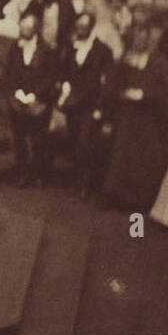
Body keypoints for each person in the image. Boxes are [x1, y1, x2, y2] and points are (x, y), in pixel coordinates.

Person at [102, 24, 168, 210]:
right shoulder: (125, 59)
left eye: (144, 39)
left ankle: (135, 203)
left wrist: (144, 95)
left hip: (148, 121)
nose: (140, 42)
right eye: (136, 38)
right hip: (126, 117)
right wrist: (120, 93)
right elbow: (112, 84)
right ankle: (114, 197)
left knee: (141, 162)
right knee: (119, 159)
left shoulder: (162, 64)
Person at [56, 12, 115, 198]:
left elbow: (107, 82)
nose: (81, 28)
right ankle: (75, 180)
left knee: (86, 143)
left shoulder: (103, 51)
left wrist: (101, 107)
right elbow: (64, 71)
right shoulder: (71, 47)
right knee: (74, 140)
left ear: (91, 28)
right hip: (73, 103)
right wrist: (64, 86)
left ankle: (85, 183)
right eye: (78, 24)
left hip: (91, 104)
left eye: (85, 25)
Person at [1, 14, 57, 187]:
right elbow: (8, 72)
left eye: (27, 28)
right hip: (17, 100)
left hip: (38, 101)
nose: (23, 30)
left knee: (39, 139)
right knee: (19, 138)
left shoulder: (46, 50)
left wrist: (35, 95)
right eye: (22, 27)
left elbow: (50, 77)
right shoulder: (15, 48)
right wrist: (16, 93)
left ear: (35, 30)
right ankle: (23, 172)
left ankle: (39, 173)